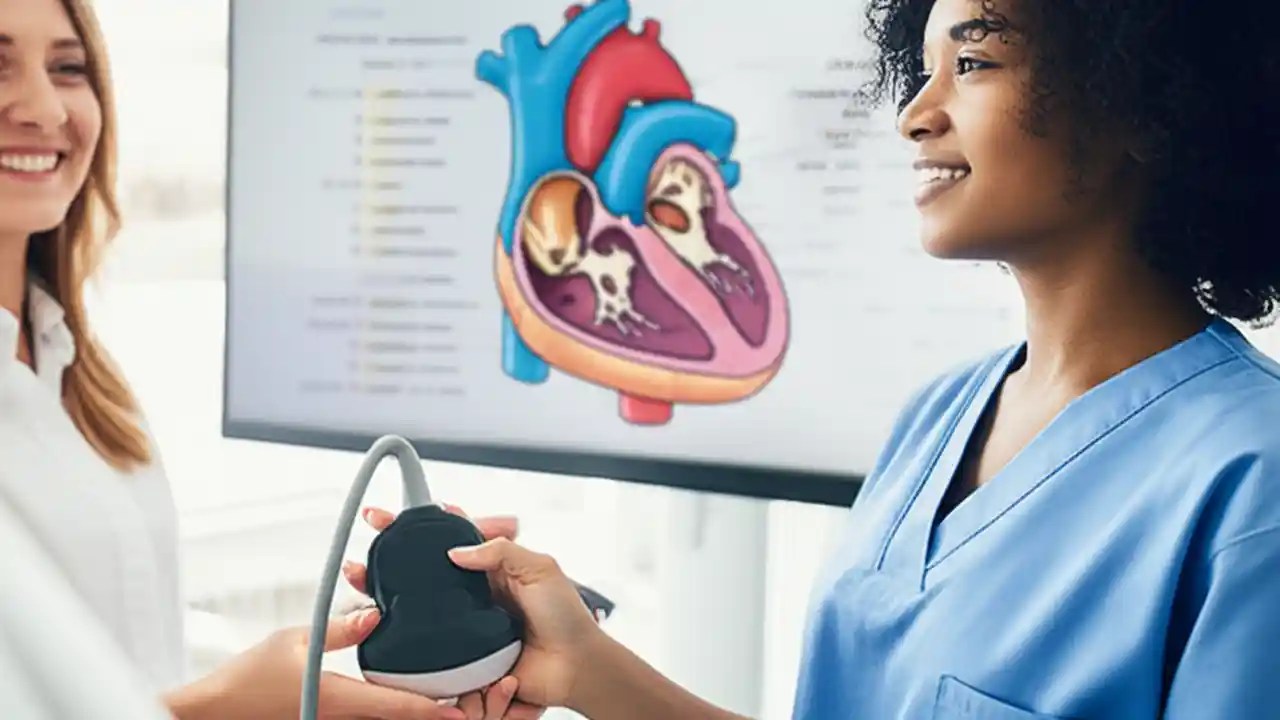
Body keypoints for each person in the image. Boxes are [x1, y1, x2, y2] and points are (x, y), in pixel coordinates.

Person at [386, 0, 1280, 717]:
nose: (915, 116)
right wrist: (582, 667)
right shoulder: (940, 416)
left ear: (1148, 104)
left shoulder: (1252, 482)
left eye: (973, 64)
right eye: (923, 70)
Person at [0, 0, 543, 718]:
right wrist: (228, 703)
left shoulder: (78, 370)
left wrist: (394, 626)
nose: (43, 106)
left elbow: (125, 655)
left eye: (68, 68)